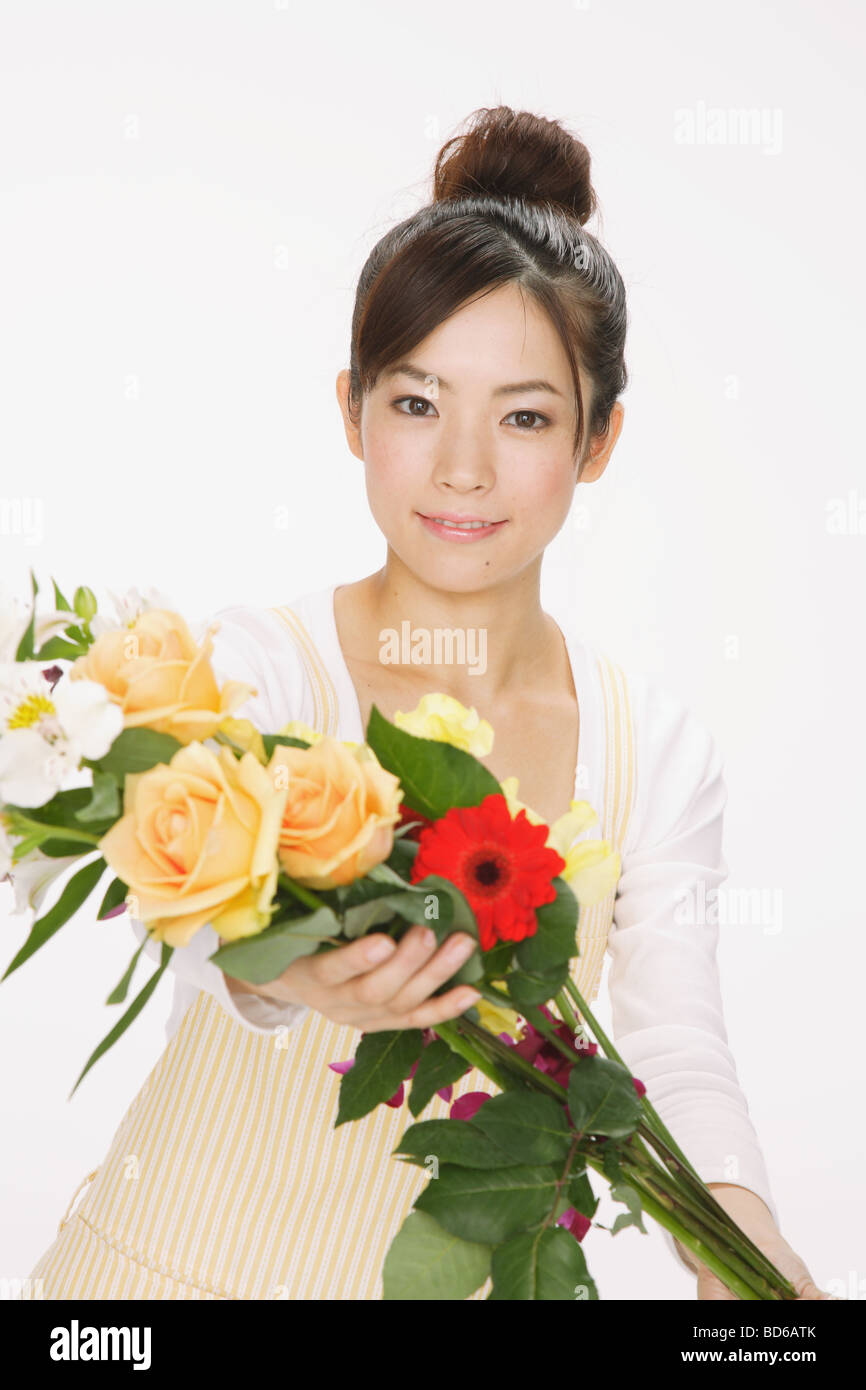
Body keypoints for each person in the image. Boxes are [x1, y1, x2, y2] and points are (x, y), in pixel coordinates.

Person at [23, 105, 828, 1300]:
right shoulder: (266, 665)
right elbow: (186, 908)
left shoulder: (649, 750)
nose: (462, 467)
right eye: (415, 403)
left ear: (598, 438)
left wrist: (739, 1244)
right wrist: (275, 969)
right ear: (349, 407)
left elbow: (672, 1046)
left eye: (522, 416)